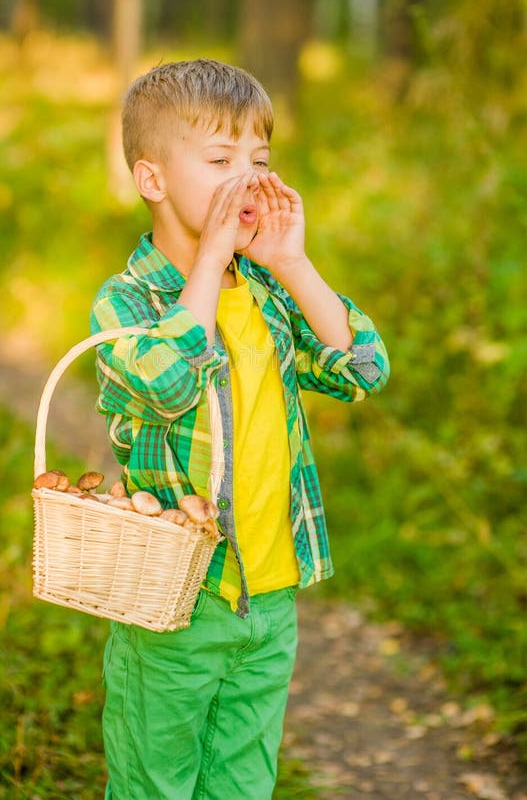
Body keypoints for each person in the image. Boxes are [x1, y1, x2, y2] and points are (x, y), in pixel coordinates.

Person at [90, 59, 389, 799]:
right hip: (174, 603)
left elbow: (362, 368)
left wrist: (290, 262)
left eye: (259, 160)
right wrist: (211, 260)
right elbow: (162, 383)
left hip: (269, 596)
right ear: (152, 180)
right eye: (220, 160)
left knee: (242, 781)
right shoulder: (127, 302)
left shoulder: (263, 290)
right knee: (154, 781)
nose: (246, 179)